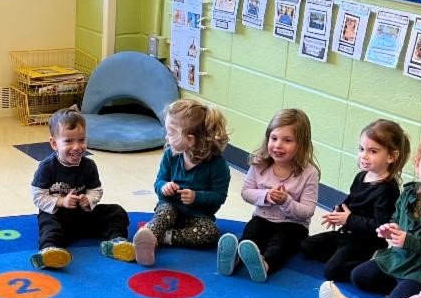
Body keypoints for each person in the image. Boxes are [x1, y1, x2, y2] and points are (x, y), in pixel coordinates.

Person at [320, 131, 421, 298]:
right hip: (399, 258)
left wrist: (409, 241)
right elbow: (397, 218)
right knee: (359, 276)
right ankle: (400, 287)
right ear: (417, 164)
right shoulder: (409, 193)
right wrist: (391, 228)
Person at [216, 108, 318, 283]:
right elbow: (246, 193)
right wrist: (266, 196)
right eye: (274, 138)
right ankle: (234, 259)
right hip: (262, 218)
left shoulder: (309, 173)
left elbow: (307, 211)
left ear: (301, 144)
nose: (278, 145)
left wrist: (286, 201)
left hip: (293, 225)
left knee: (280, 244)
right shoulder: (259, 163)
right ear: (267, 138)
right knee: (251, 235)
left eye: (287, 140)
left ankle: (265, 265)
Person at [300, 119, 408, 281]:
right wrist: (338, 211)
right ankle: (343, 257)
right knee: (306, 246)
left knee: (332, 271)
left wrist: (348, 219)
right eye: (361, 149)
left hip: (365, 242)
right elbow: (351, 201)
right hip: (347, 234)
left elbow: (379, 226)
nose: (364, 155)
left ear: (391, 156)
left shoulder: (387, 189)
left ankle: (374, 262)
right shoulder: (362, 176)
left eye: (373, 151)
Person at [29, 107, 133, 269]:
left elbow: (96, 190)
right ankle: (50, 251)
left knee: (116, 212)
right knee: (48, 224)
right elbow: (37, 196)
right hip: (58, 216)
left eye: (81, 140)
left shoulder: (89, 165)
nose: (77, 147)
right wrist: (61, 202)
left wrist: (88, 200)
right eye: (68, 141)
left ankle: (116, 243)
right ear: (54, 144)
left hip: (83, 215)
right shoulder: (47, 167)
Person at [132, 99, 231, 266]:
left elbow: (219, 197)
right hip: (170, 208)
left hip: (197, 217)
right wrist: (164, 187)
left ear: (190, 140)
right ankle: (150, 238)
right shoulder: (171, 155)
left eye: (171, 133)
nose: (166, 137)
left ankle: (159, 236)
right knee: (165, 212)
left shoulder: (218, 165)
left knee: (211, 233)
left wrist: (196, 197)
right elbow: (159, 182)